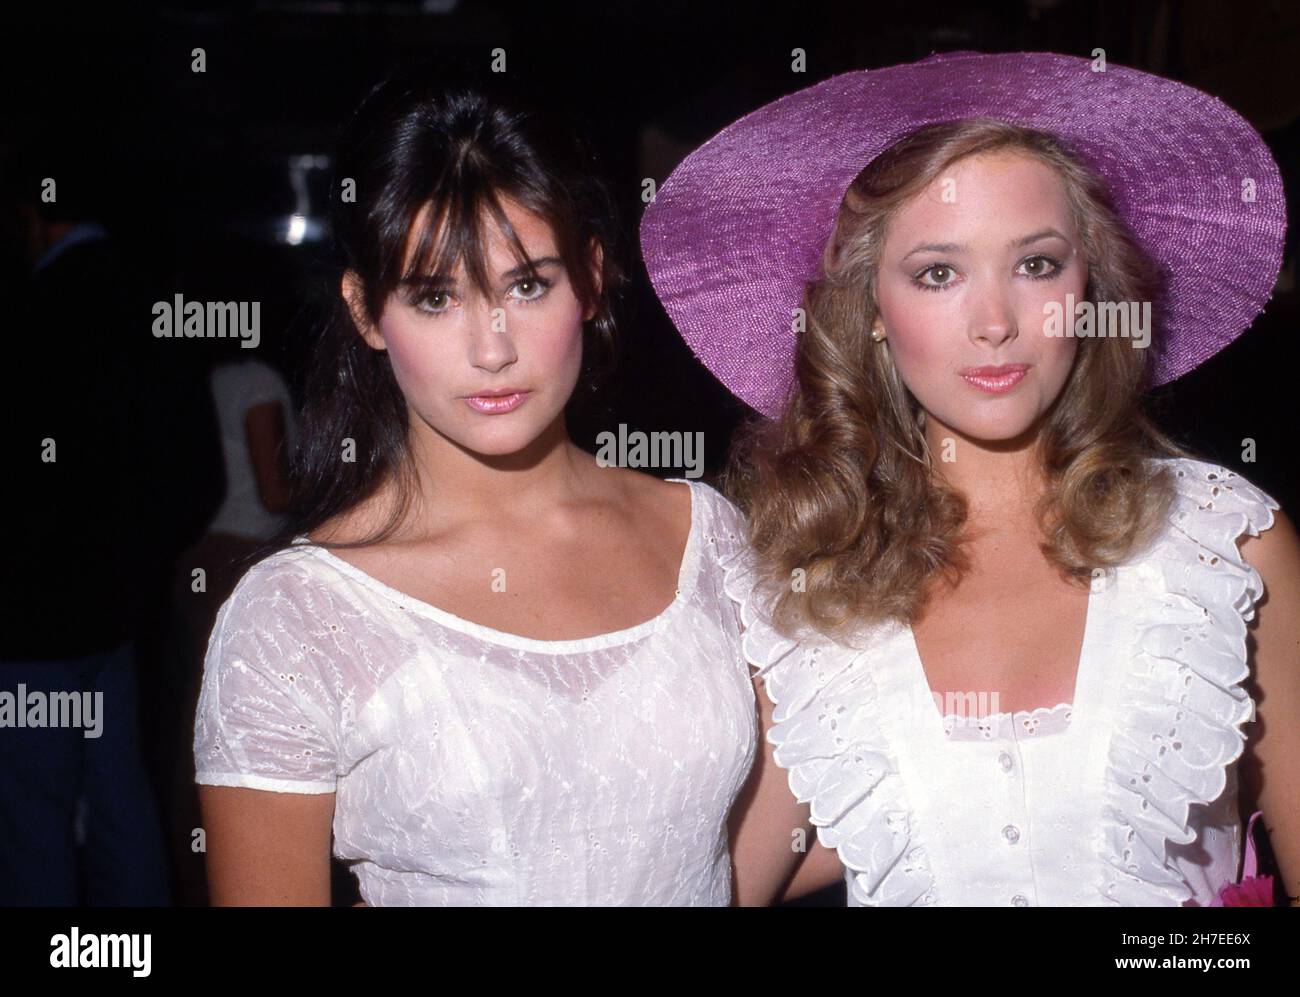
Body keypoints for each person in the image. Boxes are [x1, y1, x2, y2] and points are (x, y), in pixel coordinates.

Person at [640, 50, 1299, 906]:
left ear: (1092, 283)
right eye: (938, 273)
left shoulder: (1226, 549)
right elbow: (709, 884)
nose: (994, 324)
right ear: (871, 308)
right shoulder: (804, 599)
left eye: (1036, 265)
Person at [191, 62, 759, 906]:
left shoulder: (708, 536)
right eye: (434, 297)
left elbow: (744, 856)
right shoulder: (295, 620)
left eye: (528, 284)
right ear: (363, 310)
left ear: (592, 276)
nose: (492, 346)